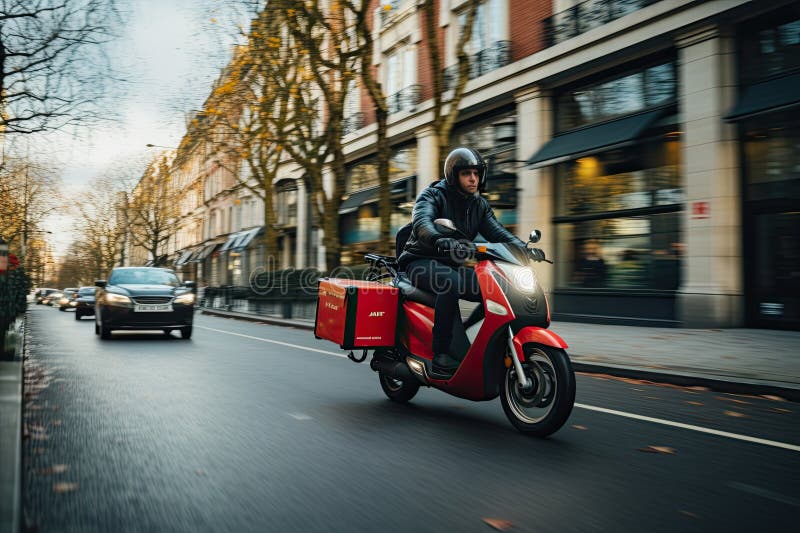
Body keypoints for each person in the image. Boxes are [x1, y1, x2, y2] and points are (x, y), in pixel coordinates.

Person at [398, 147, 525, 375]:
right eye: (467, 173)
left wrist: (524, 248)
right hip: (419, 261)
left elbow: (498, 233)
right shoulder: (433, 196)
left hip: (450, 264)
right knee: (451, 284)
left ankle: (468, 336)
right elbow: (422, 222)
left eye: (476, 173)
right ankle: (441, 354)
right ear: (454, 175)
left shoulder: (479, 205)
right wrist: (438, 238)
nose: (473, 179)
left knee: (500, 288)